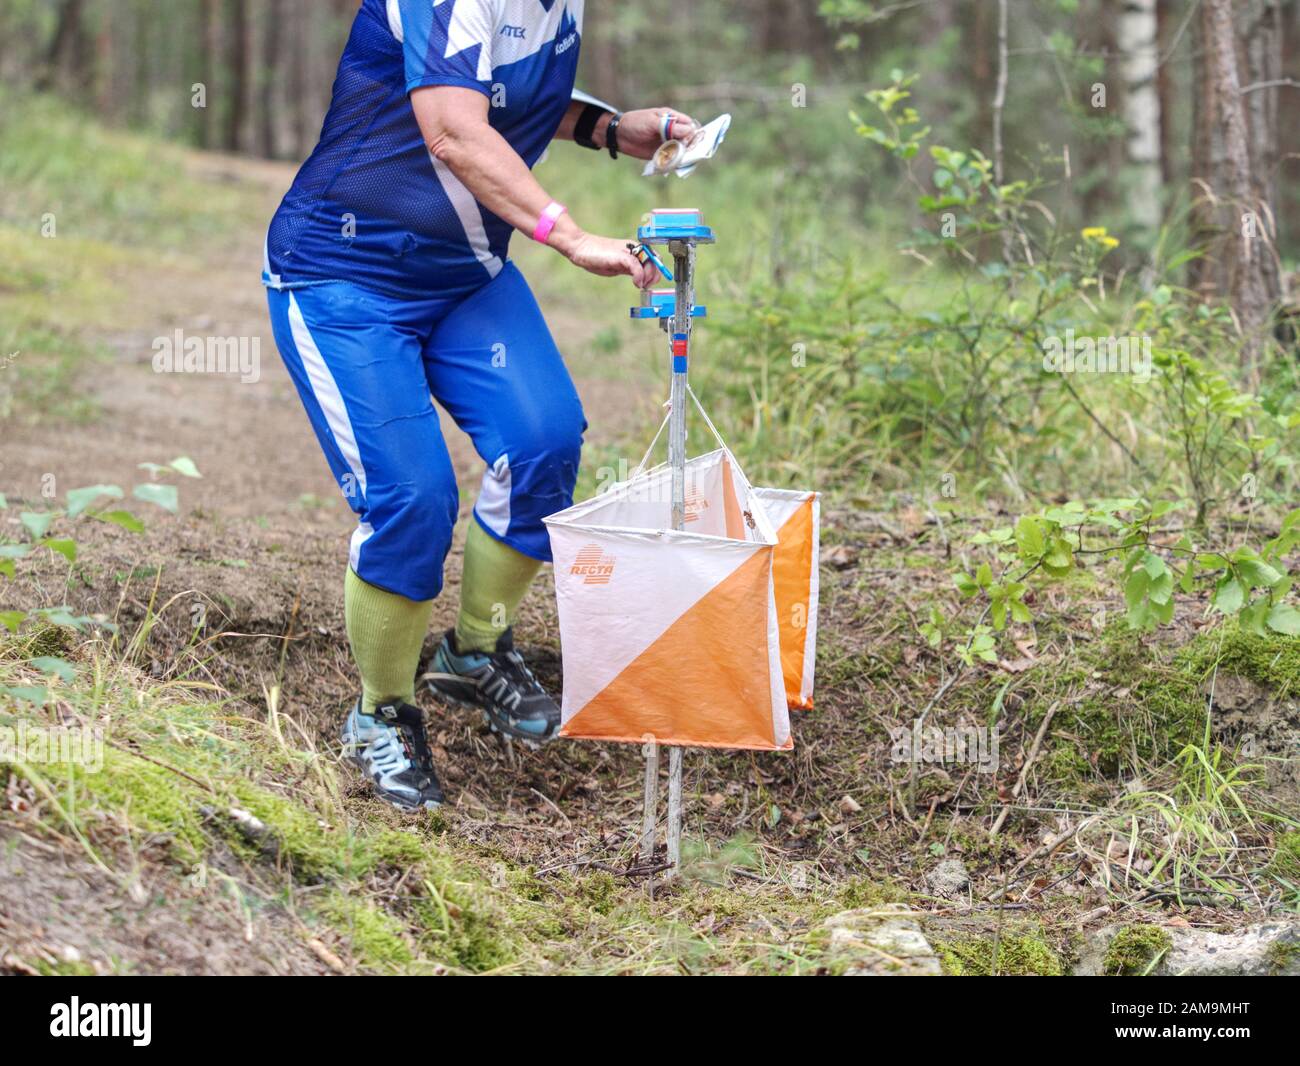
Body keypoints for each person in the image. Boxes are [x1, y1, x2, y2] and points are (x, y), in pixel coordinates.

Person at [263, 0, 698, 810]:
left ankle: (474, 653)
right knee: (414, 498)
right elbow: (454, 127)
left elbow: (506, 91)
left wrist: (609, 128)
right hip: (341, 277)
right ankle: (381, 715)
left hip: (463, 275)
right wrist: (570, 236)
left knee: (543, 441)